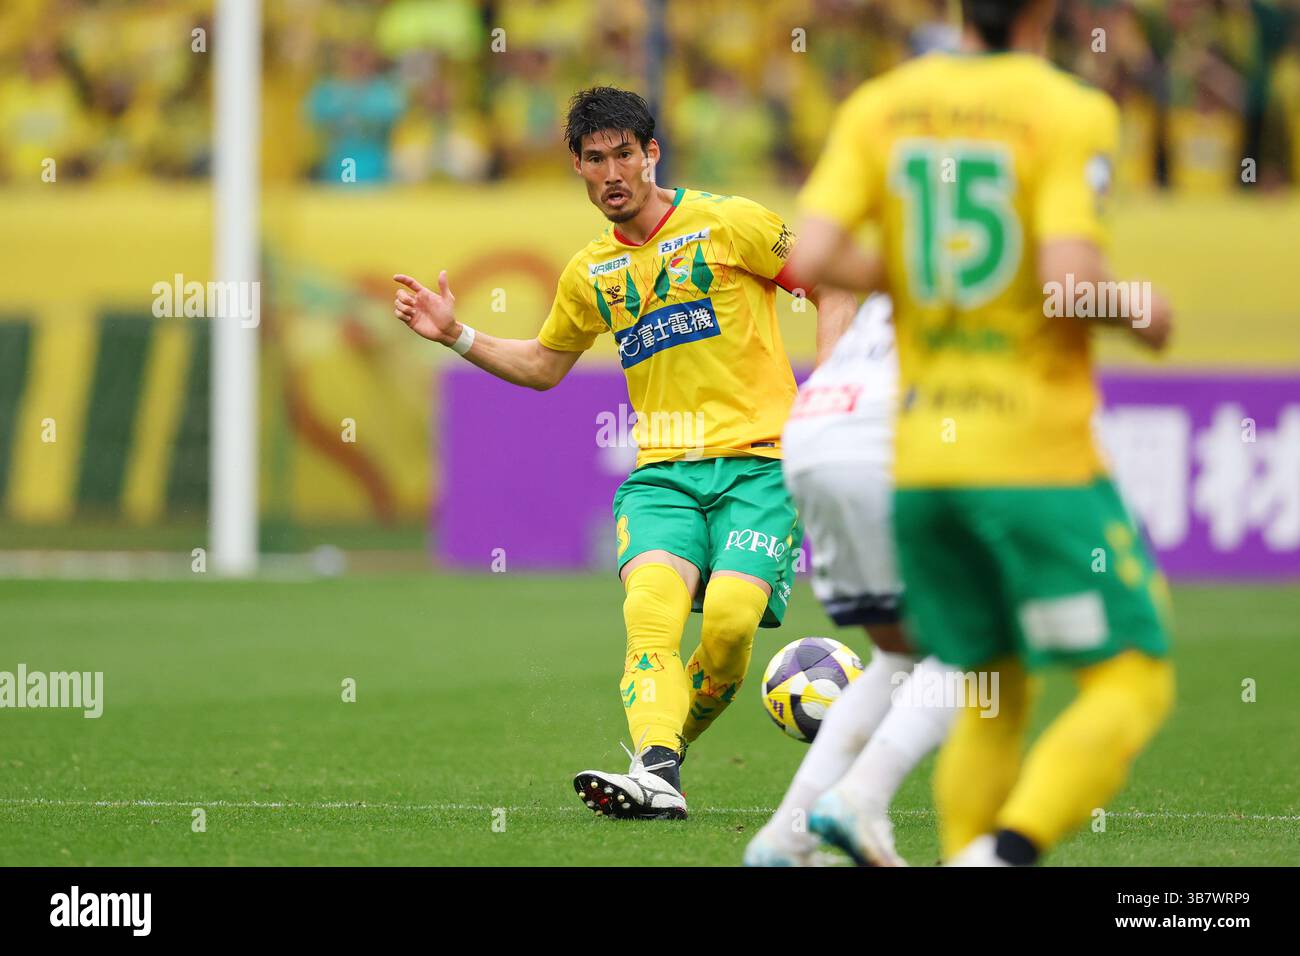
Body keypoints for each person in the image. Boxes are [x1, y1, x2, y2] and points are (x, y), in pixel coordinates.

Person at [393, 86, 856, 820]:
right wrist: (457, 335)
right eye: (594, 159)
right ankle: (656, 769)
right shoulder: (588, 273)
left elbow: (831, 286)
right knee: (651, 610)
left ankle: (664, 756)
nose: (611, 173)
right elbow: (545, 366)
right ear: (576, 165)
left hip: (762, 465)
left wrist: (828, 387)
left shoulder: (730, 224)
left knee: (731, 628)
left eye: (624, 155)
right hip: (661, 478)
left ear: (652, 155)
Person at [785, 0, 1176, 865]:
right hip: (1032, 456)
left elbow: (810, 259)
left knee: (991, 681)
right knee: (1134, 674)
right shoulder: (1071, 109)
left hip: (922, 465)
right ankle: (996, 856)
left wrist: (929, 274)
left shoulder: (879, 105)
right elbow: (1068, 279)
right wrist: (1140, 310)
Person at [743, 294, 958, 867]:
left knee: (899, 650)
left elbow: (826, 268)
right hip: (888, 438)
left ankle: (783, 841)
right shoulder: (1010, 246)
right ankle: (863, 797)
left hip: (816, 429)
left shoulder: (904, 241)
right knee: (980, 642)